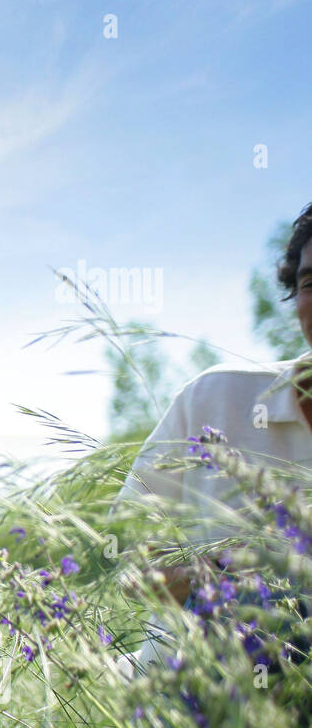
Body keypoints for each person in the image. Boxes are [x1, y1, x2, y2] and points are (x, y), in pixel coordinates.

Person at [116, 201, 312, 669]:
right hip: (192, 701)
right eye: (311, 282)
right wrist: (205, 583)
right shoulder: (216, 400)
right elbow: (130, 556)